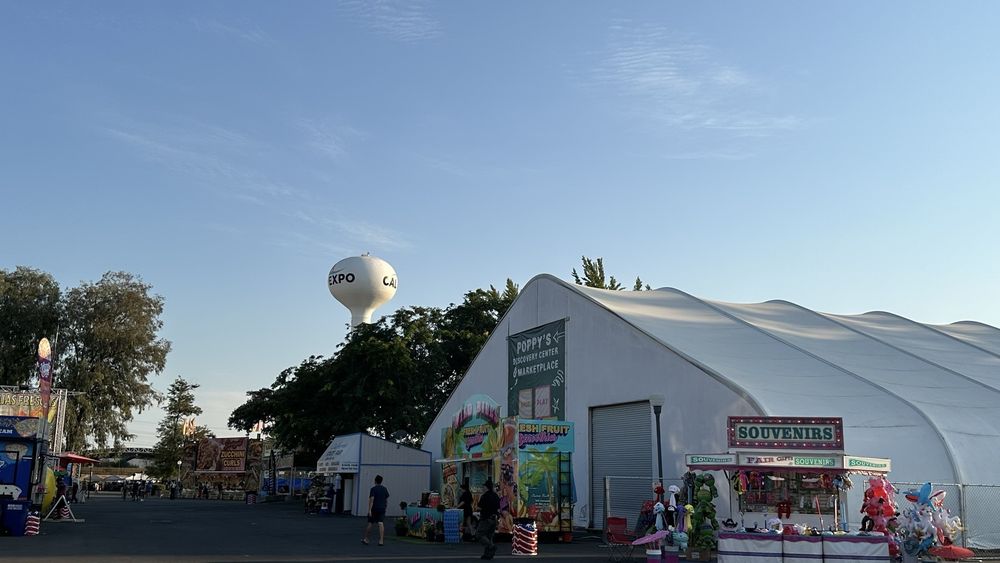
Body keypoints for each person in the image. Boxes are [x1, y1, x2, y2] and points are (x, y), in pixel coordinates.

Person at [362, 474, 390, 546]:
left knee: (370, 523)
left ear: (375, 481)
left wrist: (369, 510)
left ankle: (366, 539)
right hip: (382, 508)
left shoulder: (373, 489)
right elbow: (386, 499)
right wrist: (385, 507)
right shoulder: (385, 489)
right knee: (381, 523)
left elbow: (372, 499)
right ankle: (381, 541)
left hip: (374, 508)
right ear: (381, 481)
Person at [476, 480, 500, 560]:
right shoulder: (496, 495)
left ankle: (491, 547)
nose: (483, 488)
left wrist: (478, 507)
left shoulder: (484, 496)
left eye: (484, 486)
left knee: (480, 534)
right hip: (494, 518)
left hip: (486, 518)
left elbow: (479, 508)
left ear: (486, 487)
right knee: (489, 537)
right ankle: (488, 555)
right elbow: (498, 507)